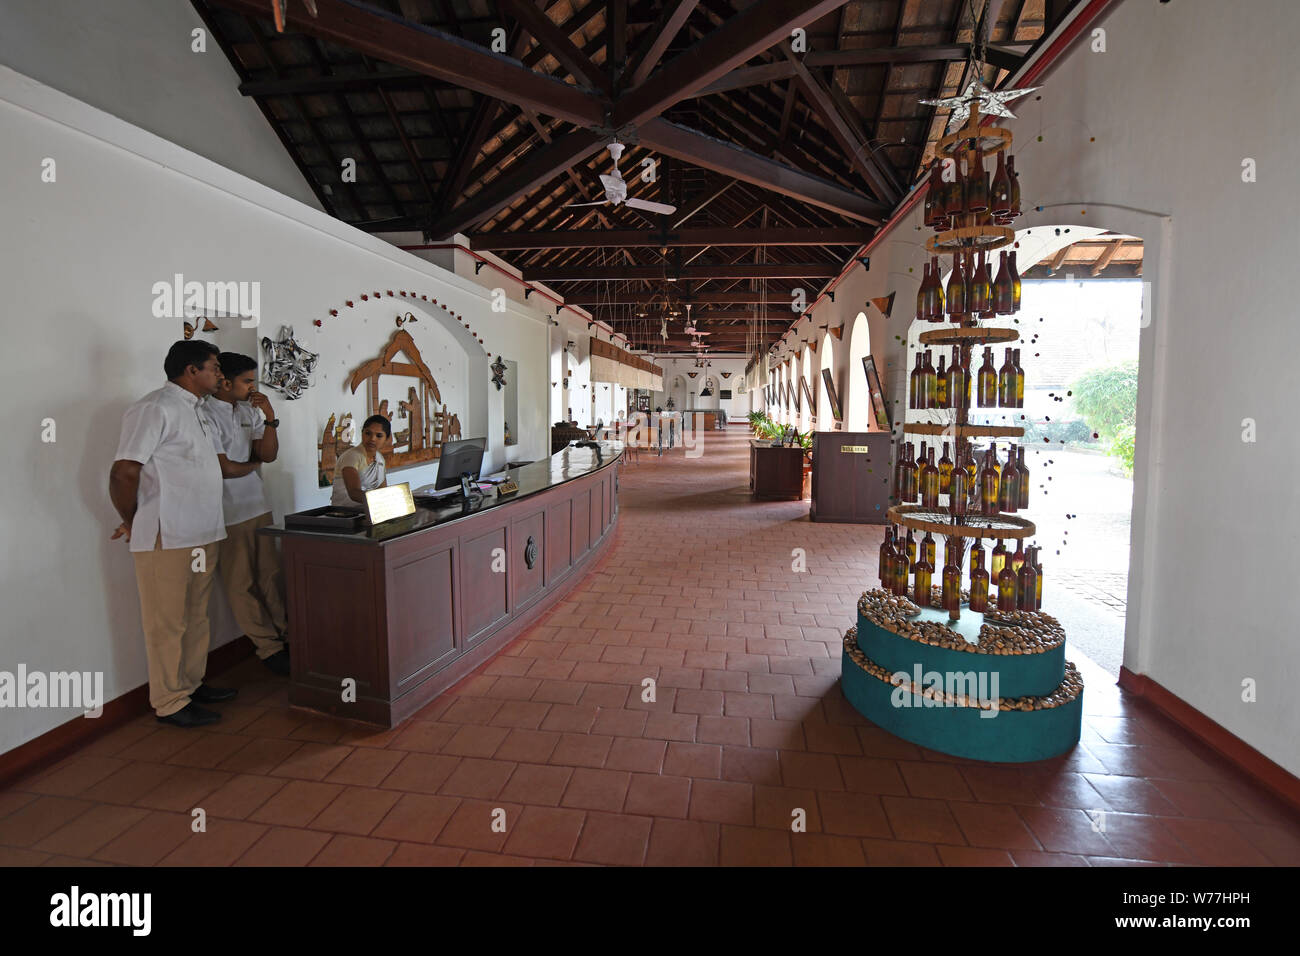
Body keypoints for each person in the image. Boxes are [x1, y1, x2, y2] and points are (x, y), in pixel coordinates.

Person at [109, 340, 232, 728]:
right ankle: (170, 701)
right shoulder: (154, 408)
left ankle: (190, 684)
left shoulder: (198, 411)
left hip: (202, 530)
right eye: (213, 367)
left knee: (197, 615)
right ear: (190, 371)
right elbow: (124, 472)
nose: (219, 374)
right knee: (166, 621)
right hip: (168, 533)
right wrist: (133, 520)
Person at [201, 352, 290, 676]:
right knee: (242, 584)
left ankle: (286, 635)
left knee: (270, 575)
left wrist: (269, 417)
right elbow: (225, 469)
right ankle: (268, 648)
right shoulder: (205, 413)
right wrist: (252, 466)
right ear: (225, 382)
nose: (253, 387)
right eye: (247, 381)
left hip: (258, 505)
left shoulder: (249, 410)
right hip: (228, 512)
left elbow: (267, 453)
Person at [332, 414, 390, 505]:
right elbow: (354, 493)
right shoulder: (352, 456)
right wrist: (381, 501)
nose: (372, 439)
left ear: (386, 439)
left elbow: (382, 491)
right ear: (362, 432)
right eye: (368, 433)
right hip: (345, 513)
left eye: (379, 436)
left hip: (369, 511)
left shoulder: (380, 460)